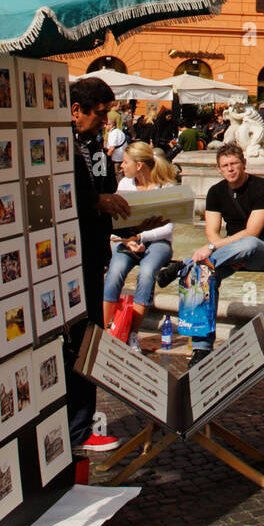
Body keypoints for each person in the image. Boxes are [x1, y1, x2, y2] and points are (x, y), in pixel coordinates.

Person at [67, 77, 132, 454]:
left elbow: (106, 196)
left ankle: (80, 426)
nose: (106, 121)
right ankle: (77, 430)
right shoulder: (60, 144)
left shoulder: (93, 146)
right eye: (101, 113)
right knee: (77, 342)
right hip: (68, 260)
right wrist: (95, 202)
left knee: (88, 339)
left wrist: (135, 222)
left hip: (92, 257)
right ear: (77, 111)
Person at [187, 144, 264, 365]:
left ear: (244, 163)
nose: (230, 169)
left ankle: (183, 264)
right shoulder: (216, 192)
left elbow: (252, 232)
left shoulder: (262, 188)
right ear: (219, 169)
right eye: (225, 166)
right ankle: (201, 348)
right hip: (231, 254)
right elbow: (211, 232)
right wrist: (228, 253)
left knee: (248, 243)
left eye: (234, 164)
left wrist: (213, 249)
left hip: (262, 251)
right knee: (203, 274)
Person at [102, 142, 177, 350]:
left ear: (139, 165)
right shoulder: (125, 185)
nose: (121, 165)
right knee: (115, 271)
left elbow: (168, 228)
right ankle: (102, 330)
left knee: (147, 272)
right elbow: (116, 223)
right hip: (128, 240)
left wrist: (141, 237)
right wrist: (128, 240)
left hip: (158, 242)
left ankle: (133, 334)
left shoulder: (166, 187)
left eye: (125, 162)